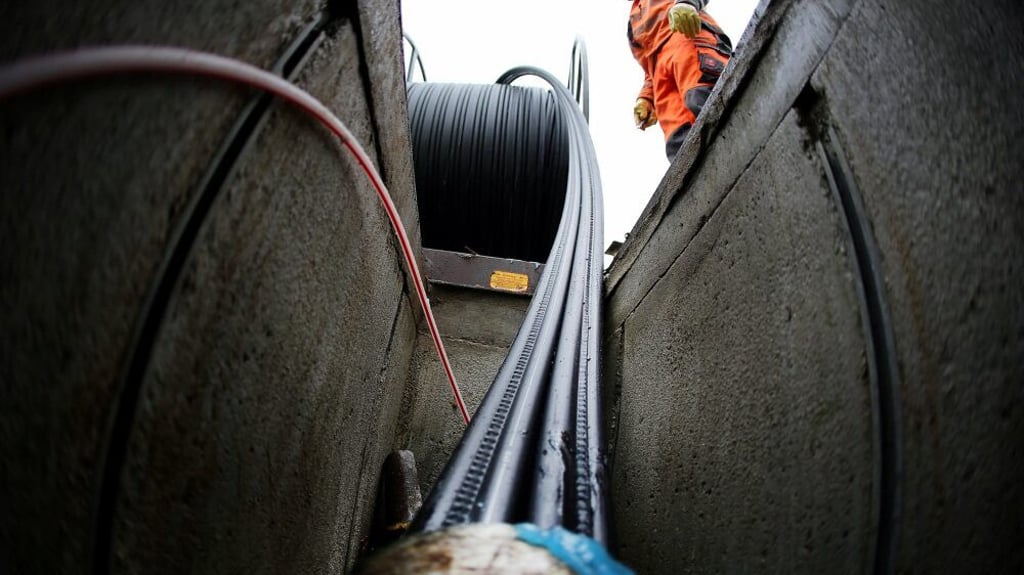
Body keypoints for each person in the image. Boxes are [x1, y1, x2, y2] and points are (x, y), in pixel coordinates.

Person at [628, 0, 733, 160]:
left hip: (687, 39)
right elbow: (649, 68)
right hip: (660, 75)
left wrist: (687, 3)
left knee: (706, 102)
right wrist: (646, 97)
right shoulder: (633, 24)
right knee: (677, 140)